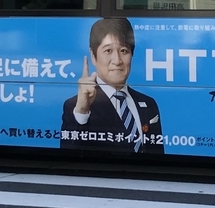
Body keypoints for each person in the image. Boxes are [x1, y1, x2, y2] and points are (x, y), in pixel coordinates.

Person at [60, 17, 163, 153]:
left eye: (123, 51)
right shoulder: (76, 106)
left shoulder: (148, 104)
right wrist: (82, 112)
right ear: (93, 56)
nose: (117, 60)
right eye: (108, 51)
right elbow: (69, 156)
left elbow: (157, 156)